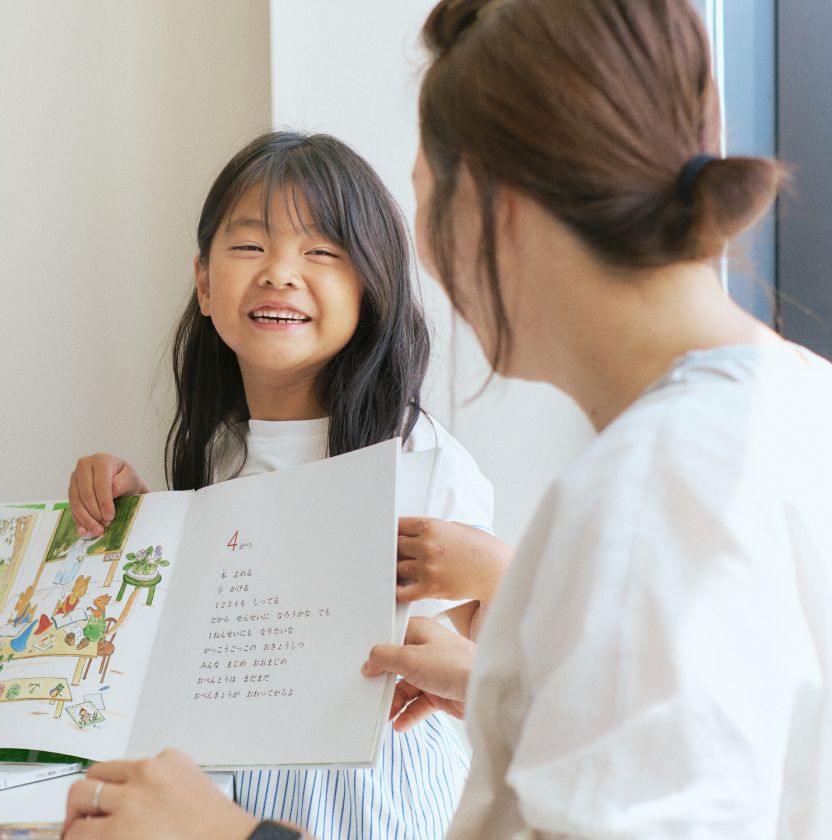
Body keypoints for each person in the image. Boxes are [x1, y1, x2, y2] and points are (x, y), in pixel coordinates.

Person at [62, 1, 832, 837]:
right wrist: (509, 689)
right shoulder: (790, 405)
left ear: (493, 212)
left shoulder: (647, 494)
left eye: (425, 201)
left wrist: (231, 836)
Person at [64, 132, 511, 839]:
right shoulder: (211, 456)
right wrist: (130, 525)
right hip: (238, 795)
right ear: (204, 284)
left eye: (322, 252)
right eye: (249, 247)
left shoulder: (421, 457)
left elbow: (475, 656)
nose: (279, 273)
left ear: (370, 287)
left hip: (381, 800)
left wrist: (498, 575)